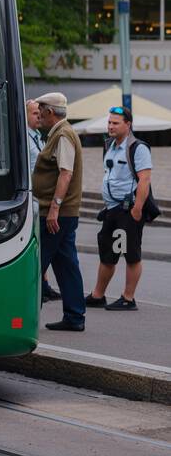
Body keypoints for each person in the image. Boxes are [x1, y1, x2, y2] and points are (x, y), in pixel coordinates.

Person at [88, 106, 152, 311]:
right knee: (108, 251)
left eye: (115, 123)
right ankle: (98, 296)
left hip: (128, 209)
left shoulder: (138, 148)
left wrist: (137, 209)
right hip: (112, 209)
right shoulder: (110, 145)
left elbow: (145, 180)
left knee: (131, 253)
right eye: (109, 122)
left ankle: (128, 298)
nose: (110, 126)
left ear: (128, 124)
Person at [33, 92, 86, 331]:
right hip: (65, 213)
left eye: (40, 110)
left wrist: (54, 207)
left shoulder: (63, 134)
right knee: (66, 264)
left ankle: (21, 317)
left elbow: (66, 173)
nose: (38, 114)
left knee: (36, 265)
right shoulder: (62, 133)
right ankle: (75, 316)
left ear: (49, 112)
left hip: (56, 213)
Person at [26, 99, 61, 302]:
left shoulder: (39, 137)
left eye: (39, 114)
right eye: (33, 114)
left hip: (42, 196)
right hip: (31, 195)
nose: (38, 117)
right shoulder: (24, 138)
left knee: (42, 241)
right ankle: (40, 286)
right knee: (37, 242)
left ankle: (44, 285)